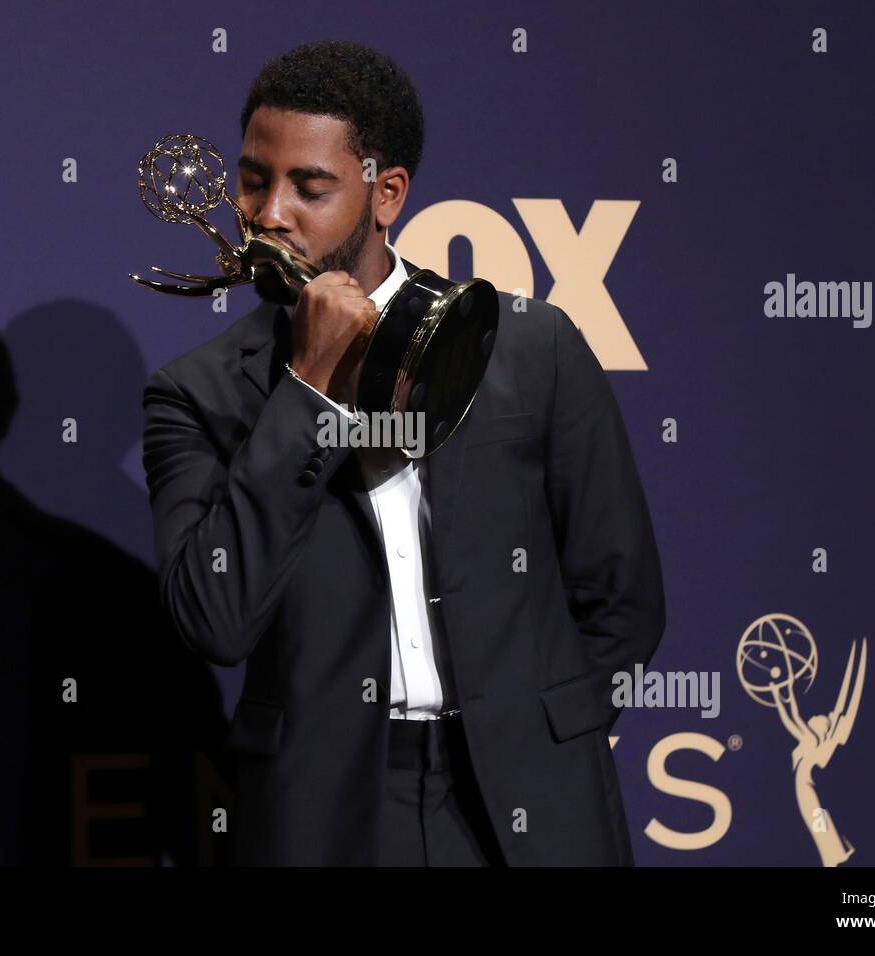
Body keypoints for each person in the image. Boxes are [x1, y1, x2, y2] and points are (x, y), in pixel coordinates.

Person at [140, 39, 666, 866]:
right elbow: (214, 619)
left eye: (310, 186)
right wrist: (307, 390)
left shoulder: (530, 350)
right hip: (326, 807)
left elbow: (623, 594)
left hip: (525, 803)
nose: (270, 212)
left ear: (386, 194)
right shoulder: (196, 393)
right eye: (253, 179)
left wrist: (550, 739)